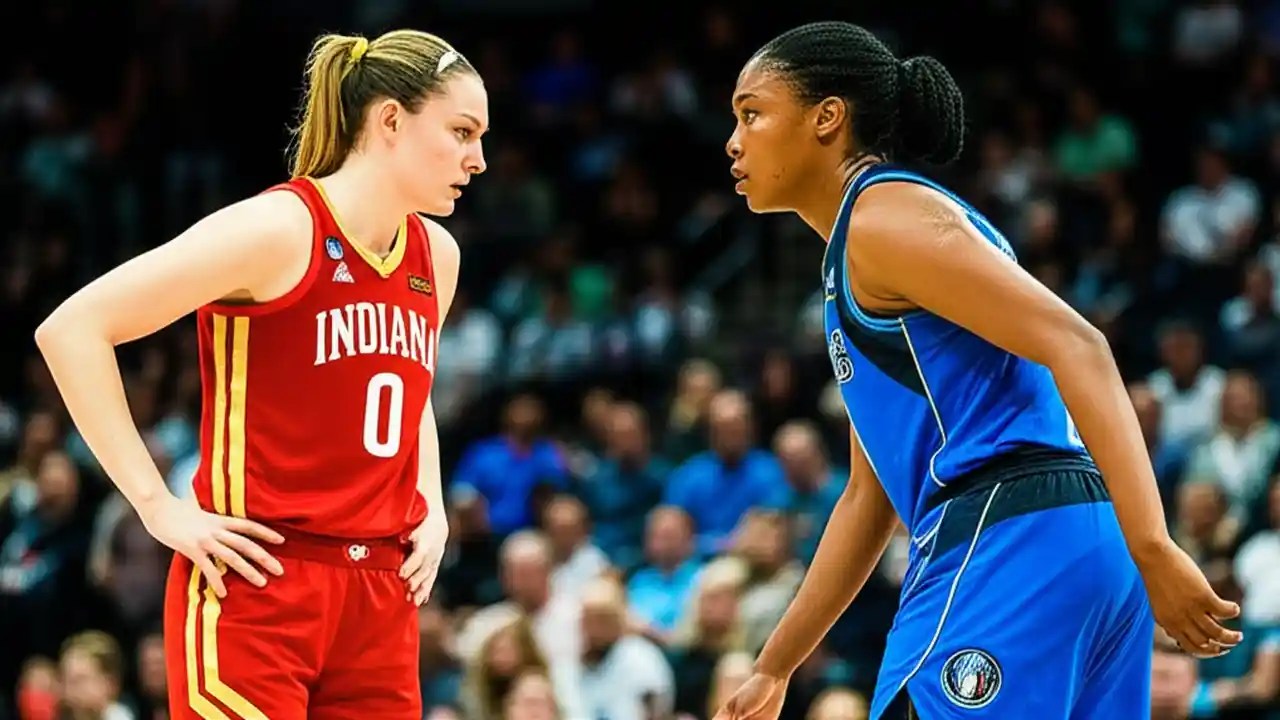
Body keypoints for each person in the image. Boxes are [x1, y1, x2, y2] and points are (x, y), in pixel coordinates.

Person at [714, 21, 1239, 720]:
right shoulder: (868, 246)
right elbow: (867, 502)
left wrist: (1156, 542)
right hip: (1071, 542)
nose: (734, 140)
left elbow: (1080, 345)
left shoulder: (882, 220)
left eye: (752, 113)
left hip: (1008, 535)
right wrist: (775, 666)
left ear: (827, 118)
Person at [35, 29, 487, 719]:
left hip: (380, 595)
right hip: (260, 581)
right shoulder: (279, 229)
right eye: (461, 132)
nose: (477, 159)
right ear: (391, 119)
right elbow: (71, 330)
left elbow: (404, 385)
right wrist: (158, 508)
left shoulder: (438, 256)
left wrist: (431, 505)